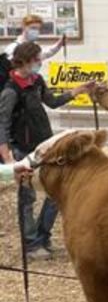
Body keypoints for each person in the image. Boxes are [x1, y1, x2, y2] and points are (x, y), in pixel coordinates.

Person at [0, 43, 93, 260]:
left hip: (44, 146)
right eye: (37, 59)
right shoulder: (10, 90)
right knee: (27, 198)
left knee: (55, 194)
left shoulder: (37, 81)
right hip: (22, 150)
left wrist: (77, 91)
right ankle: (31, 245)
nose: (40, 62)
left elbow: (51, 101)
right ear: (25, 60)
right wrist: (7, 156)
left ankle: (43, 236)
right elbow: (2, 124)